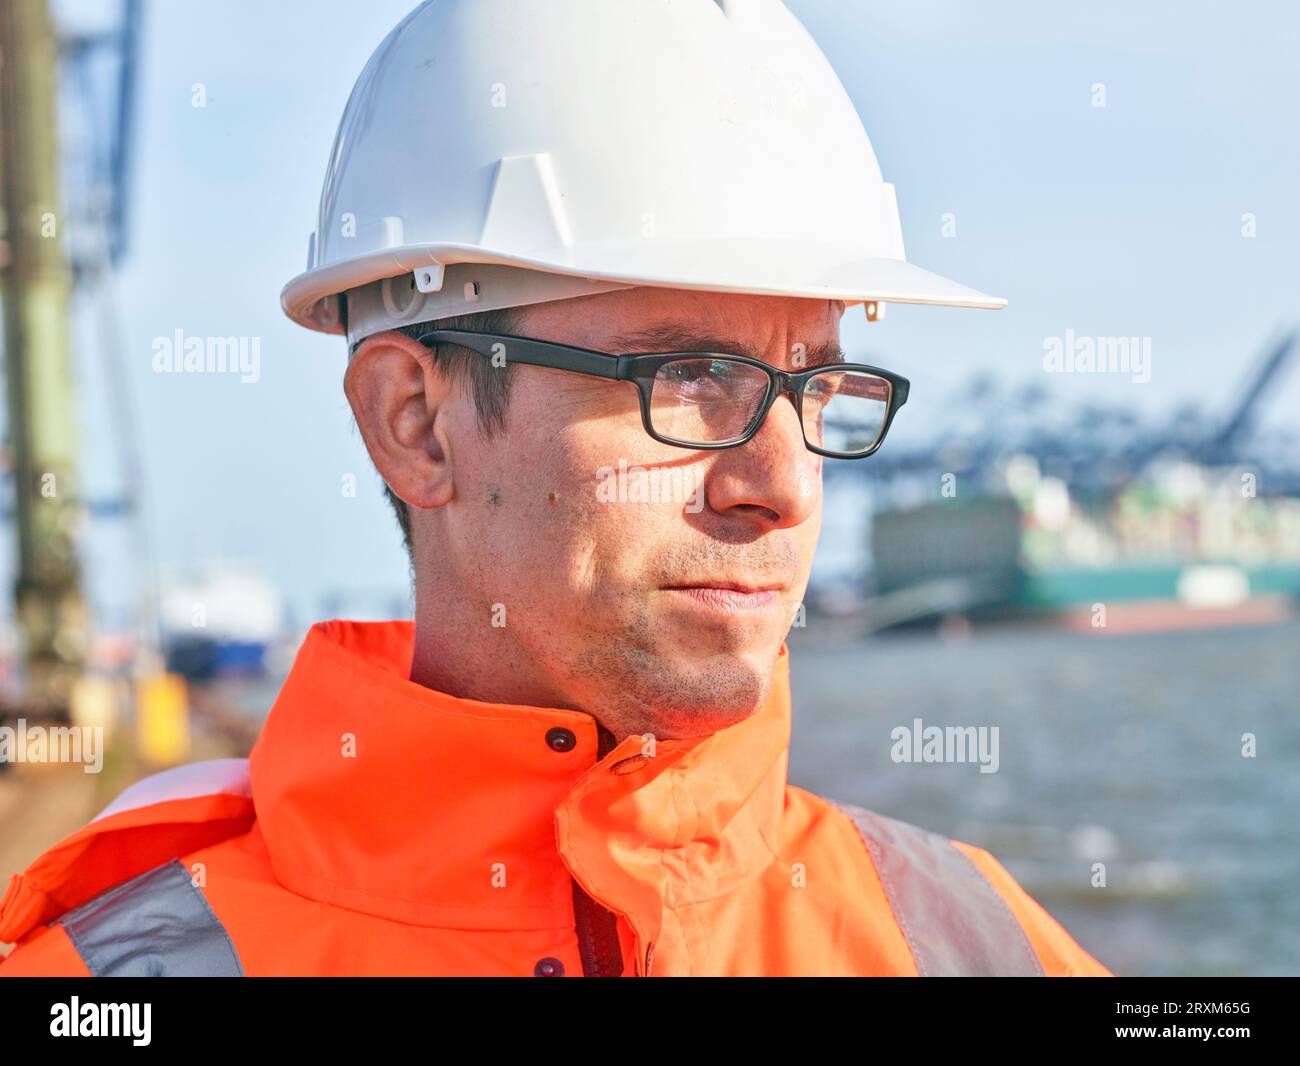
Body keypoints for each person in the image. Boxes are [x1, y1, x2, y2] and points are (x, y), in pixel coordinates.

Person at [0, 0, 1109, 976]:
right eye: (691, 376)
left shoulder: (973, 939)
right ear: (415, 424)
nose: (784, 485)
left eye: (815, 390)